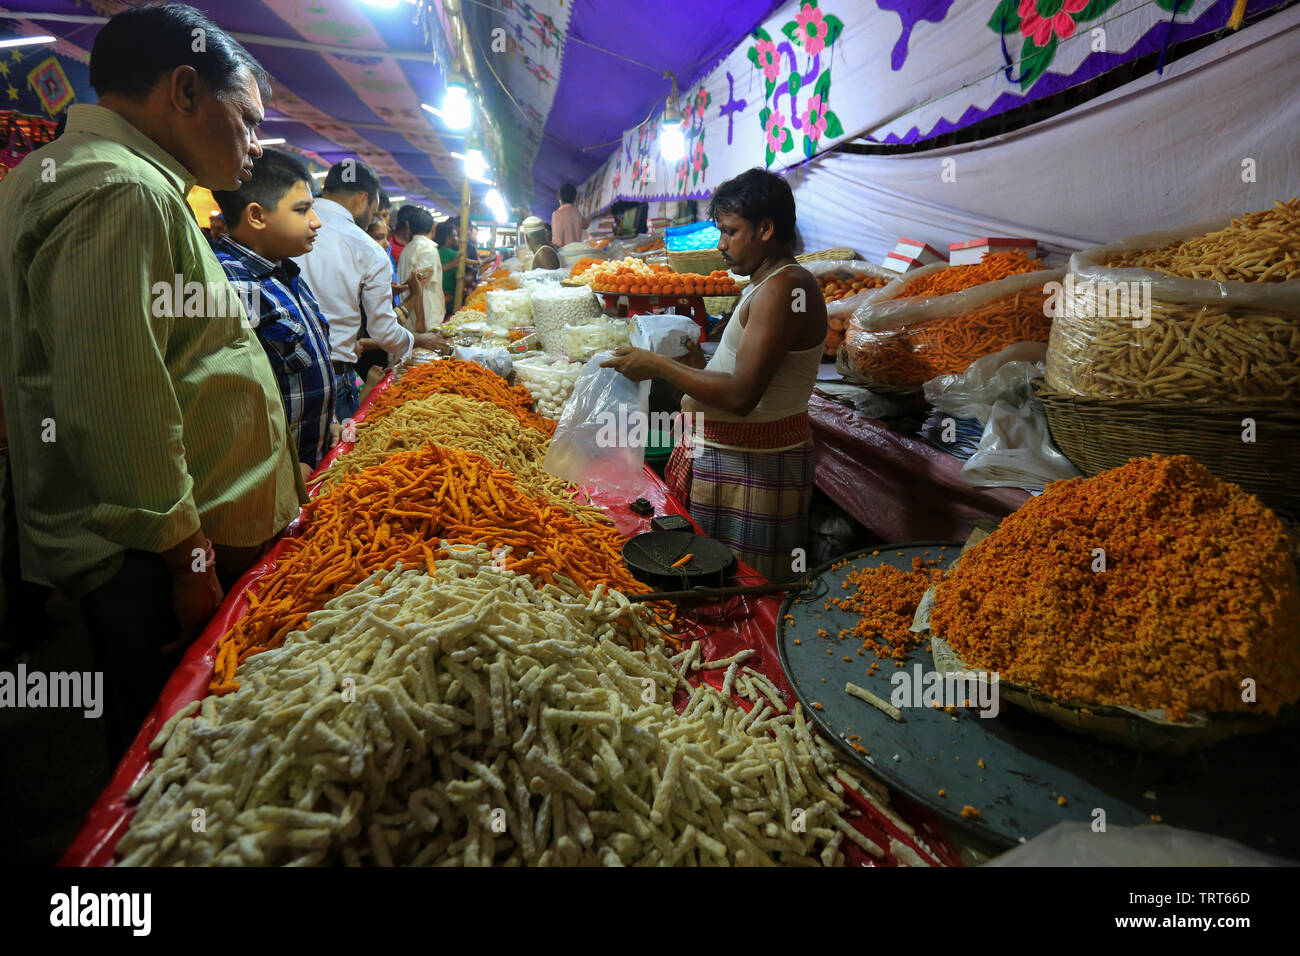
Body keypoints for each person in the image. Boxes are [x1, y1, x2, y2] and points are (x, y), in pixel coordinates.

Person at [0, 2, 306, 756]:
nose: (256, 140)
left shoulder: (97, 178)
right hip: (147, 557)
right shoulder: (119, 190)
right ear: (185, 91)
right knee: (169, 755)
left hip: (156, 547)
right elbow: (115, 398)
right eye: (248, 115)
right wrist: (186, 557)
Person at [602, 168, 825, 581]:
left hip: (754, 469)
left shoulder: (786, 288)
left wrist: (658, 365)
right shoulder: (764, 283)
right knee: (712, 577)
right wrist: (695, 367)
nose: (721, 245)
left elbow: (741, 396)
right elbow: (745, 376)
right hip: (731, 459)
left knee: (746, 588)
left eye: (730, 232)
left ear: (766, 229)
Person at [211, 148, 339, 480]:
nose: (317, 221)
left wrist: (331, 423)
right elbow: (222, 402)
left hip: (310, 469)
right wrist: (277, 467)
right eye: (302, 210)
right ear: (256, 216)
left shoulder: (284, 273)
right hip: (270, 482)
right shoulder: (226, 284)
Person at [293, 160, 443, 421]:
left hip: (283, 372)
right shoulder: (366, 247)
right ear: (363, 198)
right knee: (332, 456)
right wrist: (414, 341)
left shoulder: (290, 222)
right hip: (332, 373)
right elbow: (383, 331)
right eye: (375, 209)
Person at [398, 208, 445, 330]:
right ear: (433, 228)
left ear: (409, 227)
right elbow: (418, 285)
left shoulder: (407, 249)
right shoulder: (428, 250)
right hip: (426, 320)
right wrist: (420, 320)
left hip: (410, 319)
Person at [434, 219, 464, 311]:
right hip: (450, 299)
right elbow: (460, 278)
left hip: (436, 297)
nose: (457, 238)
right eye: (455, 235)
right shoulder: (455, 255)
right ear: (448, 238)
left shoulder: (435, 252)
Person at [551, 182, 586, 247]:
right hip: (579, 252)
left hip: (566, 254)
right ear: (575, 198)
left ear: (559, 197)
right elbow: (586, 225)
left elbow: (557, 242)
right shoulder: (577, 213)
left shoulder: (557, 214)